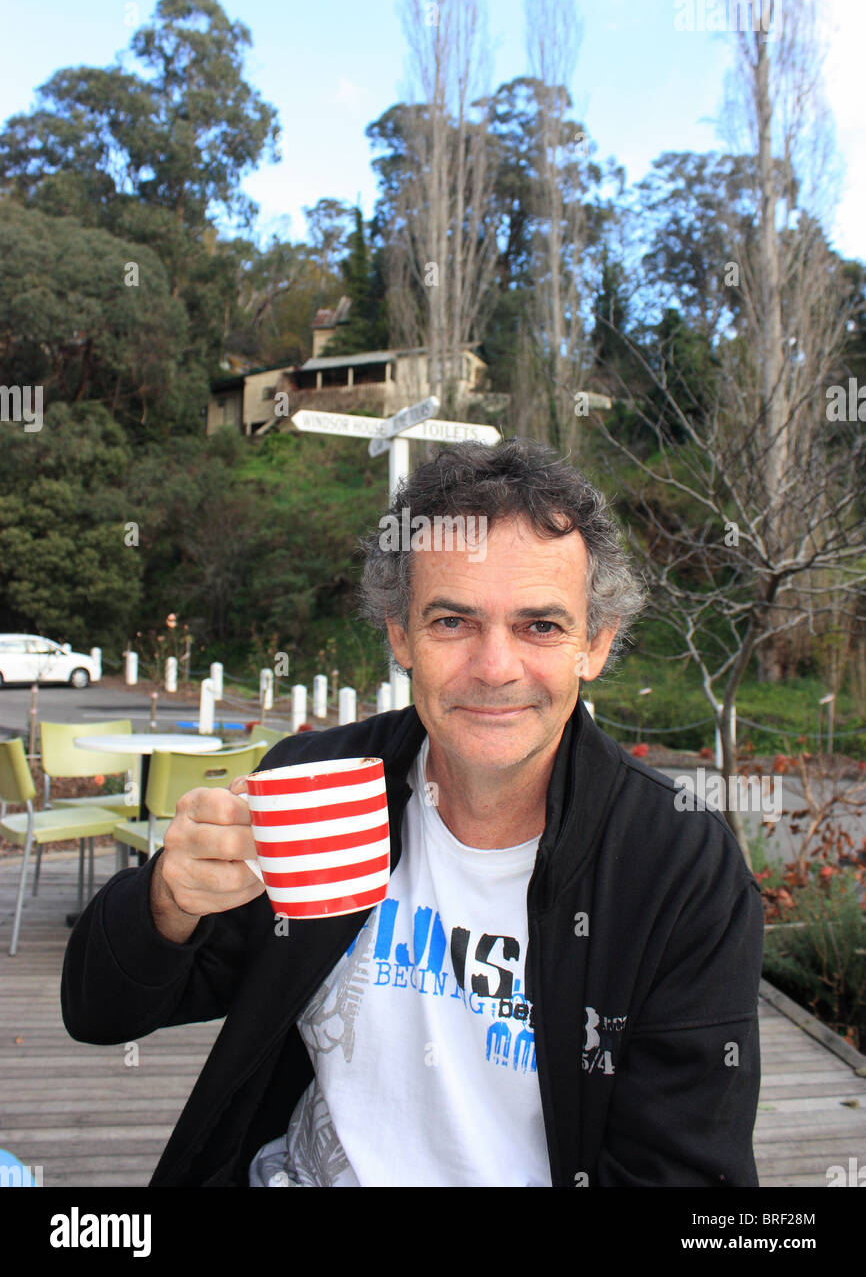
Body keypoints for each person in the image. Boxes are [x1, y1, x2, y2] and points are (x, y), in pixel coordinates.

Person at [61, 438, 764, 1187]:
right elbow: (99, 1011)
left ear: (595, 643)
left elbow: (688, 1178)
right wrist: (168, 897)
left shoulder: (679, 866)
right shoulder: (313, 790)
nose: (495, 668)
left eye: (541, 626)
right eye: (452, 622)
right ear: (400, 635)